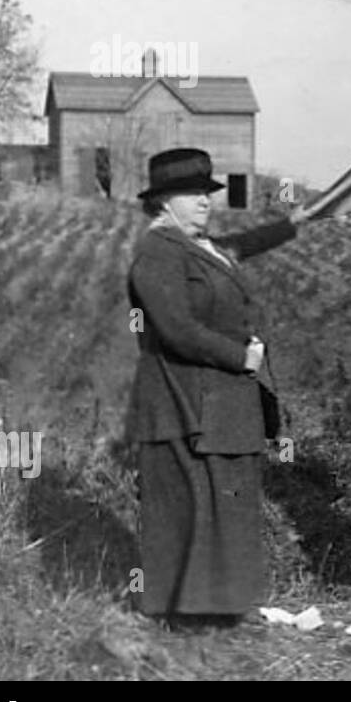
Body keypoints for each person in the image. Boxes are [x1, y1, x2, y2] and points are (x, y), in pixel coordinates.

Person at [125, 147, 312, 628]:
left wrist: (293, 223)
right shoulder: (157, 251)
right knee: (192, 507)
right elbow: (176, 328)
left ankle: (216, 609)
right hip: (184, 401)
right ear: (163, 201)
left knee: (224, 502)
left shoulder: (199, 246)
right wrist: (240, 357)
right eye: (192, 193)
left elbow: (240, 246)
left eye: (207, 191)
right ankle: (188, 615)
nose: (205, 201)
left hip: (219, 402)